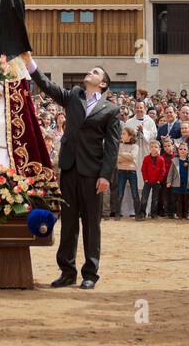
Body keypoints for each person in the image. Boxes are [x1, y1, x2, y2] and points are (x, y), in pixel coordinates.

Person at [23, 51, 121, 289]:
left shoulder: (111, 110)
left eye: (95, 72)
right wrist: (29, 62)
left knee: (91, 225)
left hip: (92, 173)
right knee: (68, 223)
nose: (90, 72)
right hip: (68, 169)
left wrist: (105, 176)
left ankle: (90, 274)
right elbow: (48, 86)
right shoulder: (74, 95)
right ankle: (67, 272)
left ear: (103, 84)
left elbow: (112, 146)